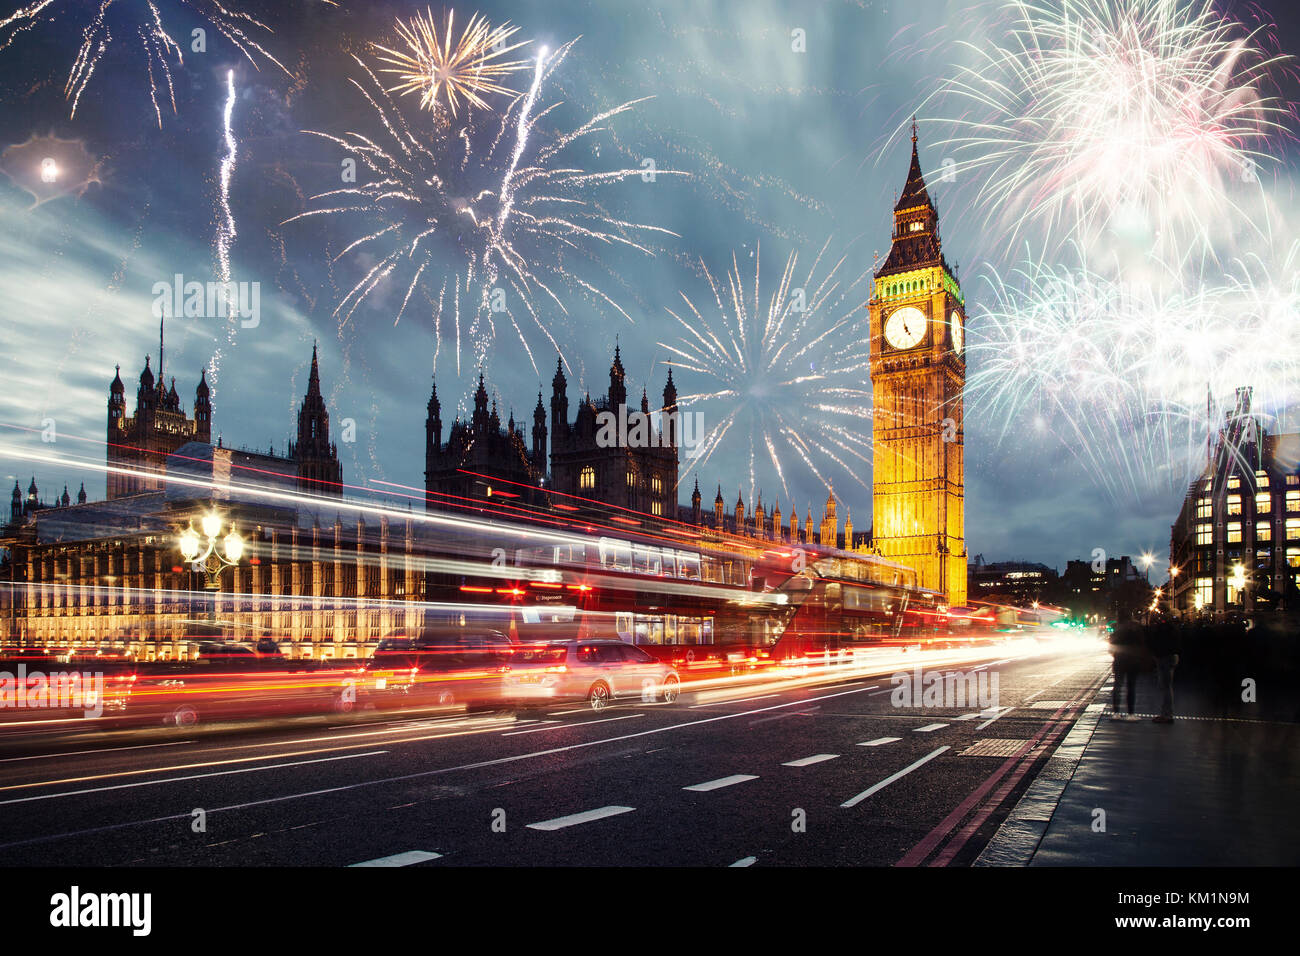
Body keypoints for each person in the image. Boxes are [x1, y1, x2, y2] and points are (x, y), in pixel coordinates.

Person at [1145, 610, 1181, 723]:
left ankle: (1167, 714)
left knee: (1165, 686)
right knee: (1166, 686)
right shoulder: (1173, 628)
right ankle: (1166, 713)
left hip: (1164, 657)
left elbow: (1155, 641)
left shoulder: (1163, 629)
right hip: (1170, 656)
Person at [1108, 613, 1143, 720]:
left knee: (1117, 687)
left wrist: (1116, 655)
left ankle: (1116, 713)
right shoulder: (1135, 629)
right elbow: (1141, 644)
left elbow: (1111, 647)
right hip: (1132, 661)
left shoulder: (1117, 630)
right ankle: (1130, 714)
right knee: (1131, 687)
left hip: (1119, 661)